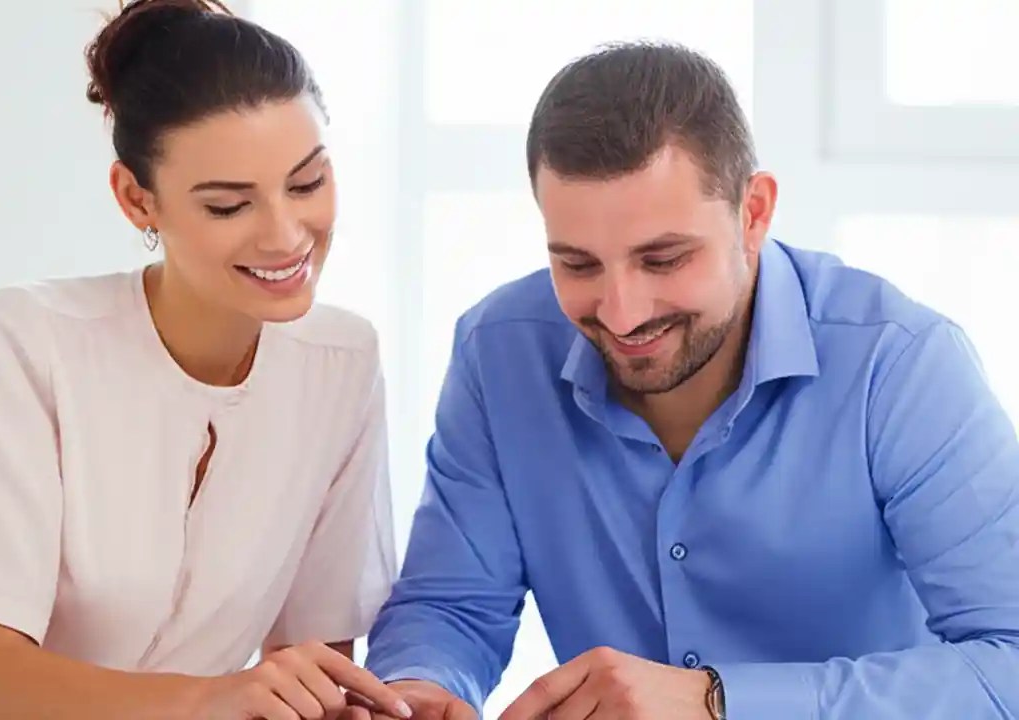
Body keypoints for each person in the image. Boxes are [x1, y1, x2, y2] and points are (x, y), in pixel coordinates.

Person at [0, 2, 416, 718]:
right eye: (227, 206)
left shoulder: (340, 362)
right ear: (136, 200)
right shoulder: (26, 342)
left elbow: (307, 664)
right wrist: (216, 699)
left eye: (307, 184)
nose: (286, 235)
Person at [357, 42, 1019, 719]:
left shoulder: (900, 365)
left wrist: (719, 702)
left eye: (663, 259)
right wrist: (419, 689)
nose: (622, 312)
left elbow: (1010, 661)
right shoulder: (497, 352)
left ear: (753, 213)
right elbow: (452, 605)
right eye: (578, 264)